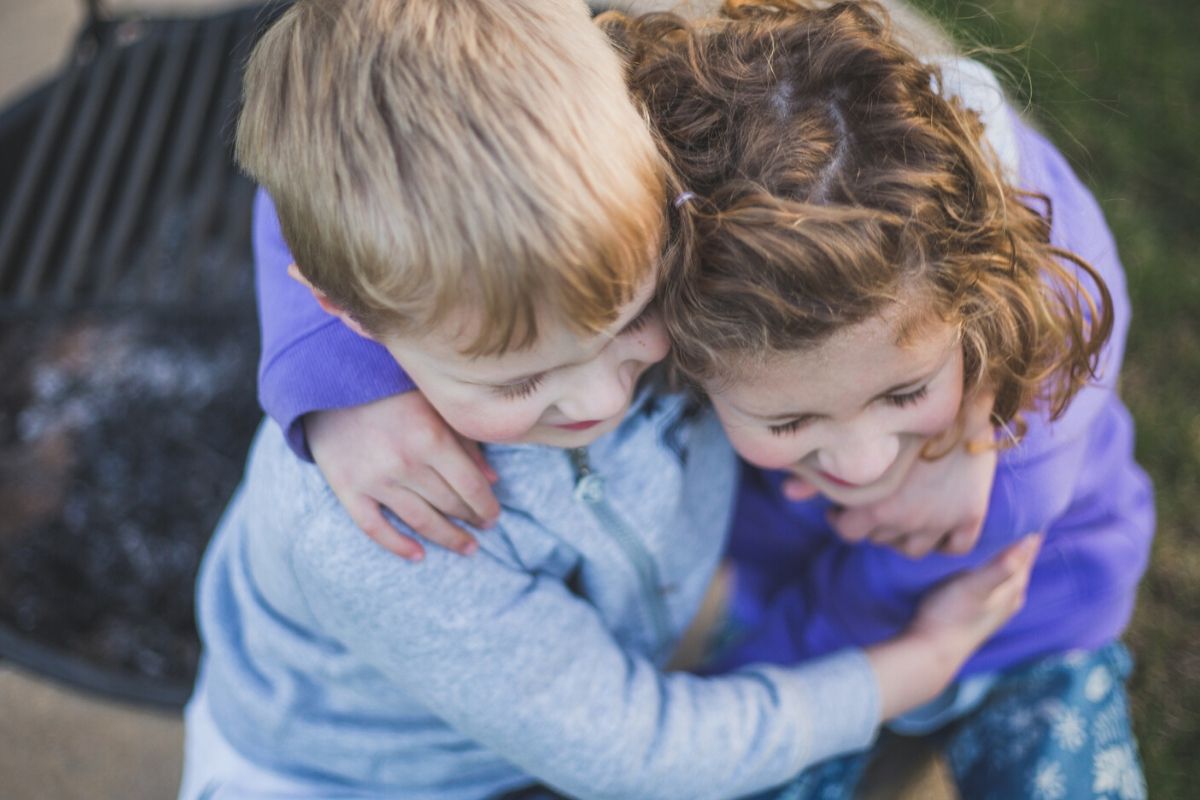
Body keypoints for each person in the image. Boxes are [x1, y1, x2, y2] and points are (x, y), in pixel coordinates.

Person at [180, 1, 1035, 798]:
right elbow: (635, 752)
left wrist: (972, 406)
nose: (600, 396)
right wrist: (908, 670)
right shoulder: (384, 528)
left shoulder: (626, 186)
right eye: (517, 380)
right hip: (357, 776)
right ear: (348, 315)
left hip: (599, 665)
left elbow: (962, 111)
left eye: (631, 319)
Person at [607, 2, 1152, 797]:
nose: (864, 462)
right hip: (814, 620)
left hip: (1028, 635)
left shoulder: (1003, 480)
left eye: (907, 390)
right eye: (790, 419)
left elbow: (858, 614)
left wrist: (737, 680)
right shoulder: (698, 284)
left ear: (972, 295)